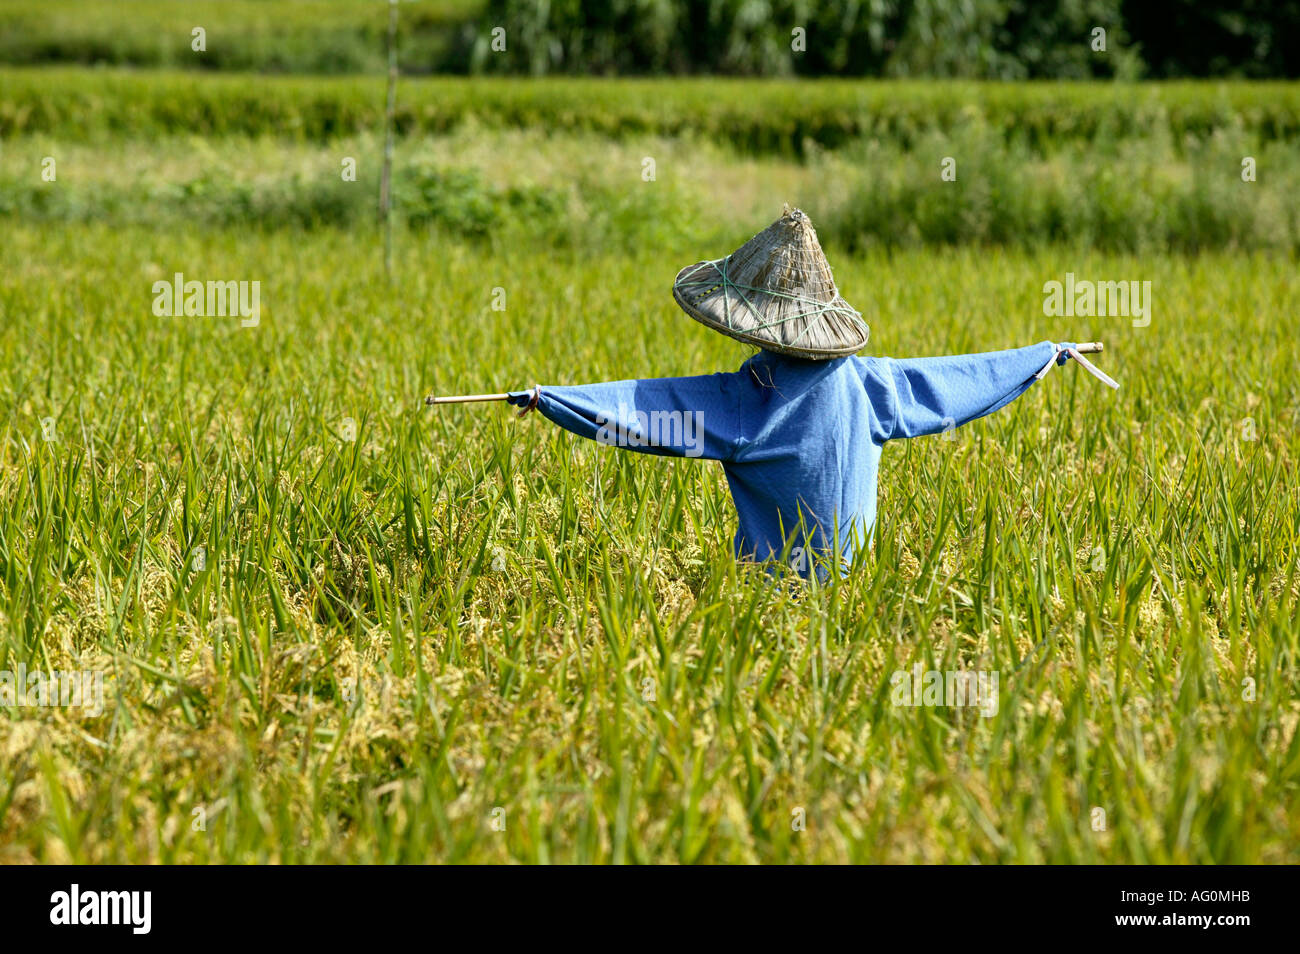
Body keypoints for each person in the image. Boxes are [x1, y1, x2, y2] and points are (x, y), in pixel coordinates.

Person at [507, 207, 1117, 576]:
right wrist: (1043, 355)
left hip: (771, 597)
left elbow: (648, 411)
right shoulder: (872, 386)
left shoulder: (745, 403)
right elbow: (956, 382)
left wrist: (553, 400)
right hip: (862, 587)